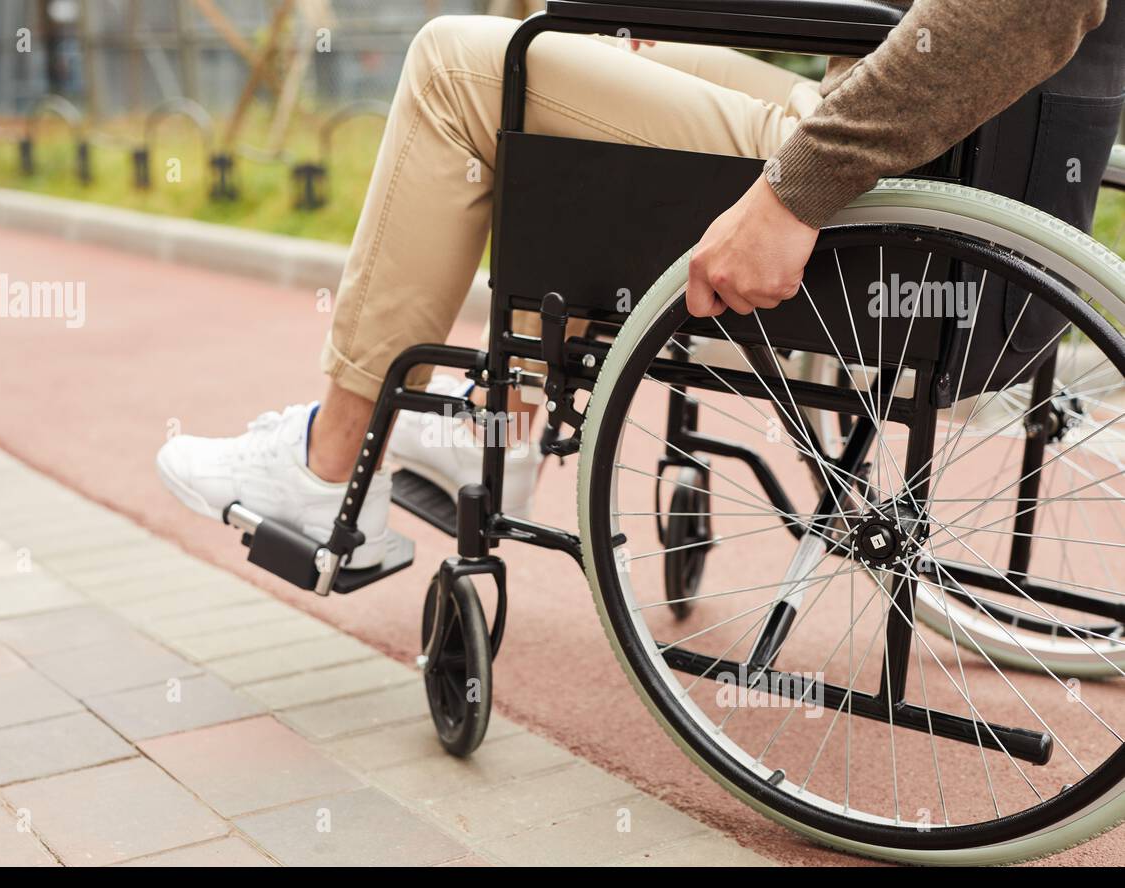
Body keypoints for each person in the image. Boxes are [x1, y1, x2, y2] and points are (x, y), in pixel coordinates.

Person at [156, 1, 1109, 569]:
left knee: (461, 64)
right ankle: (495, 422)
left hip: (896, 179)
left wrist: (796, 188)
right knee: (585, 36)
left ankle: (331, 466)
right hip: (930, 131)